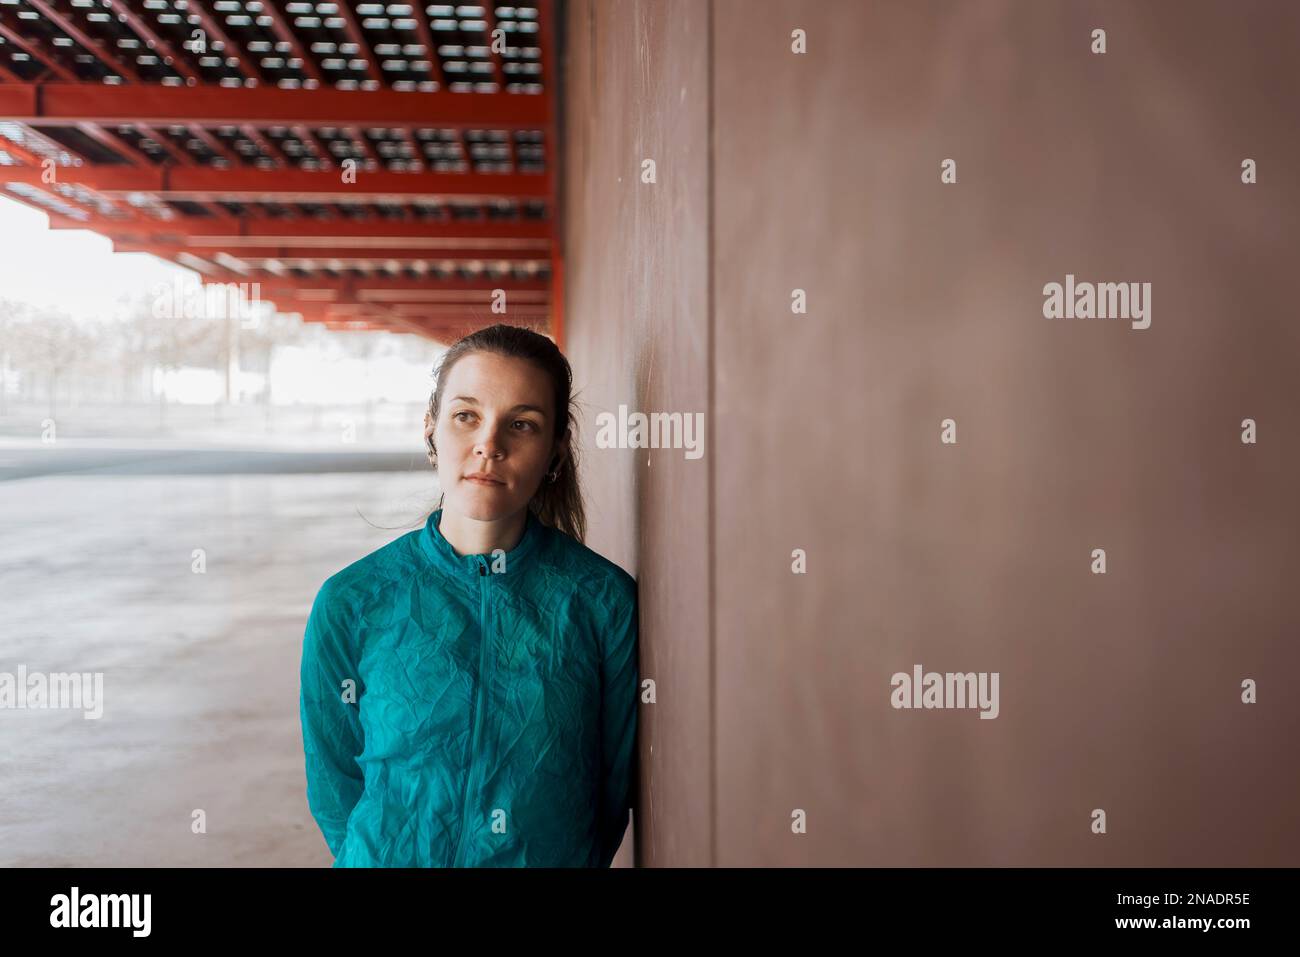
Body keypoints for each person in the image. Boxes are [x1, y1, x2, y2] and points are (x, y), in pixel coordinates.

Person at [299, 323, 640, 867]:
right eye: (466, 416)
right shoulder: (351, 601)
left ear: (554, 453)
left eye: (521, 424)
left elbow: (609, 788)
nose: (489, 444)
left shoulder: (602, 603)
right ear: (431, 430)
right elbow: (334, 781)